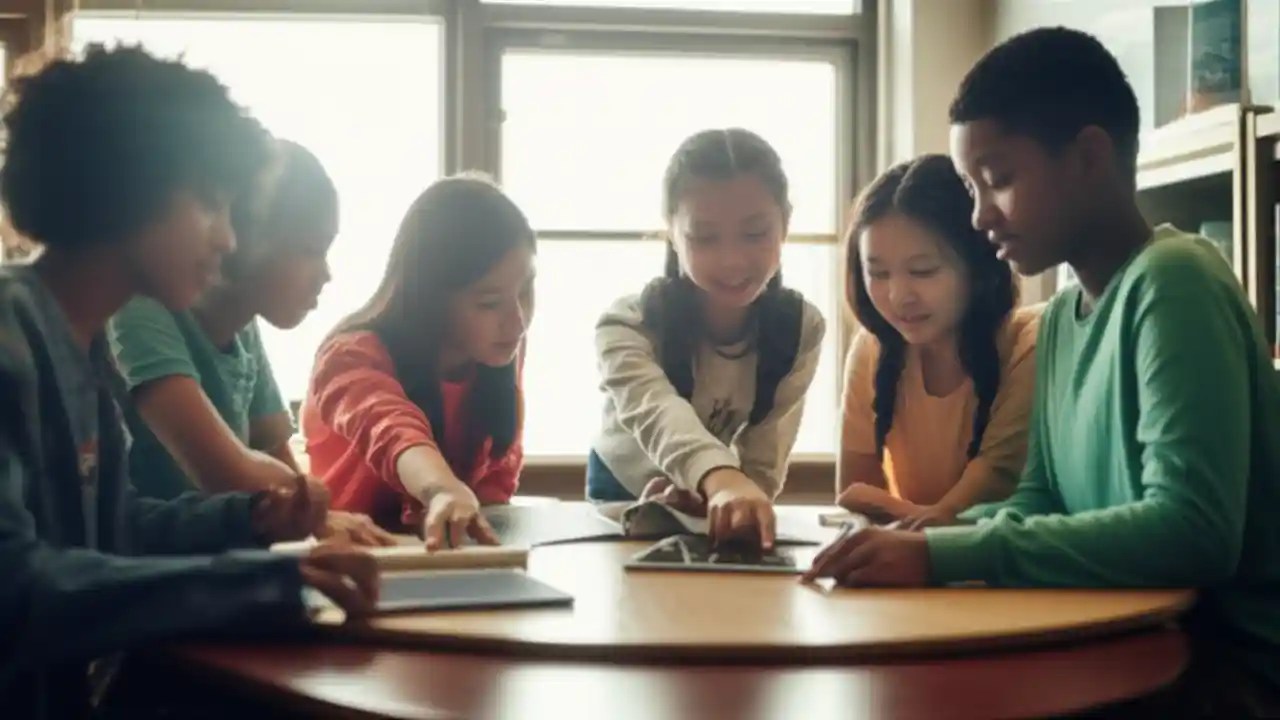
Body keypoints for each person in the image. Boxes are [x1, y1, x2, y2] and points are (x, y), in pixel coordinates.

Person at [804, 27, 1280, 715]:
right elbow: (1040, 496)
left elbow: (1193, 532)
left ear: (1088, 156)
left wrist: (946, 558)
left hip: (1228, 665)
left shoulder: (1173, 282)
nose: (979, 214)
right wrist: (929, 538)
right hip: (1136, 638)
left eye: (997, 180)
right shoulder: (1060, 318)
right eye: (971, 187)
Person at [0, 46, 377, 720]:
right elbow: (14, 588)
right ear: (128, 185)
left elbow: (113, 533)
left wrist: (248, 518)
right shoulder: (8, 339)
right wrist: (255, 585)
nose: (230, 241)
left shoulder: (85, 349)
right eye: (211, 203)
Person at [108, 139, 392, 546]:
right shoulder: (141, 308)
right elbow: (227, 474)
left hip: (209, 561)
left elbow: (275, 452)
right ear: (239, 238)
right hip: (137, 566)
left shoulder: (244, 329)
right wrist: (317, 513)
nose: (325, 274)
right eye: (310, 251)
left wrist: (320, 517)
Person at [589, 128, 826, 549]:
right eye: (704, 237)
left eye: (754, 234)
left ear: (786, 223)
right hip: (623, 495)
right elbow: (658, 412)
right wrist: (717, 478)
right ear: (671, 233)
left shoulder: (800, 328)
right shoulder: (628, 324)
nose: (732, 260)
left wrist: (740, 493)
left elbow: (766, 453)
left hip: (718, 495)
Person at [303, 175, 534, 550]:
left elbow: (496, 478)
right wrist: (443, 488)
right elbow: (392, 430)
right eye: (489, 303)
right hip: (355, 559)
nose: (518, 321)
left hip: (447, 557)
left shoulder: (497, 347)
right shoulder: (349, 356)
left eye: (525, 289)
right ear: (431, 298)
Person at [838, 154, 1039, 529]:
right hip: (907, 571)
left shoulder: (1027, 344)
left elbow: (970, 508)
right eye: (878, 273)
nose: (899, 296)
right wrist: (914, 518)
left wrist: (910, 515)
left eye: (923, 271)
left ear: (978, 267)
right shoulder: (873, 348)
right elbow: (854, 498)